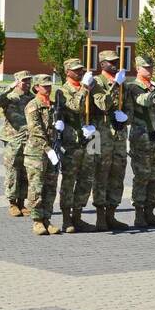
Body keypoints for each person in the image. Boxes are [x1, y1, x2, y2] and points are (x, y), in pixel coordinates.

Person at [55, 58, 98, 233]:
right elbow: (75, 107)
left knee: (87, 179)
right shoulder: (62, 91)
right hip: (72, 141)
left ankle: (78, 216)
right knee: (69, 180)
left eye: (81, 69)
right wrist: (85, 88)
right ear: (67, 72)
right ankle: (67, 220)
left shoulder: (89, 85)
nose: (80, 72)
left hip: (92, 138)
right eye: (76, 70)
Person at [125, 56, 155, 228]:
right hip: (141, 138)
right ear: (138, 68)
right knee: (142, 176)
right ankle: (139, 214)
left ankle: (150, 211)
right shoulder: (133, 87)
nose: (149, 70)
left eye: (151, 67)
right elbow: (144, 100)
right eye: (146, 67)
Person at [90, 50, 130, 231]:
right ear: (102, 64)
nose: (114, 64)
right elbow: (103, 104)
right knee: (101, 175)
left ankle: (111, 215)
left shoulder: (123, 83)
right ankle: (100, 217)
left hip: (119, 136)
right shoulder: (96, 82)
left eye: (116, 61)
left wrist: (125, 117)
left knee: (117, 175)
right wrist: (115, 85)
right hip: (101, 135)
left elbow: (130, 109)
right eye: (110, 62)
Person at [23, 75, 63, 236]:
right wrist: (48, 149)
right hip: (37, 153)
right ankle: (37, 221)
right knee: (36, 187)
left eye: (49, 86)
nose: (48, 88)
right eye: (44, 86)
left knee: (50, 187)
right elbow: (36, 131)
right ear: (36, 87)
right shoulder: (33, 106)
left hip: (53, 151)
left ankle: (47, 219)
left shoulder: (53, 106)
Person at [0, 70, 33, 216]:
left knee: (26, 172)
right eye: (24, 81)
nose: (27, 84)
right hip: (12, 139)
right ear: (17, 82)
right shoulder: (9, 97)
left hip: (28, 139)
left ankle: (22, 202)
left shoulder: (31, 98)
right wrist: (10, 86)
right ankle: (12, 203)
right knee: (13, 171)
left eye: (29, 81)